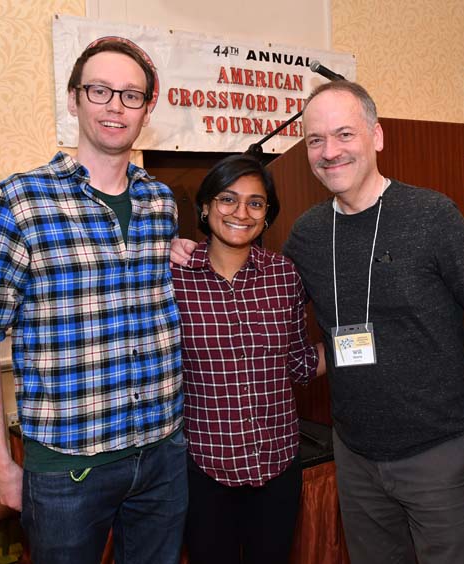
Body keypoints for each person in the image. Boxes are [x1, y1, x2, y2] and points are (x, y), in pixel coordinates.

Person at [172, 80, 464, 564]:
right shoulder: (308, 234)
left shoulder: (432, 215)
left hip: (437, 451)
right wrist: (183, 245)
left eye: (344, 135)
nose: (329, 152)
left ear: (376, 137)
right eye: (316, 140)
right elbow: (261, 301)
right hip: (354, 454)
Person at [0, 37, 186, 564]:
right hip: (67, 465)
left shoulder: (160, 201)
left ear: (147, 109)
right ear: (73, 98)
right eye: (100, 90)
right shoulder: (20, 199)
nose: (115, 106)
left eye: (131, 95)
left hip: (163, 452)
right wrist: (1, 462)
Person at [172, 154, 324, 564]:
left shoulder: (284, 275)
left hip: (277, 463)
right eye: (228, 199)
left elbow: (298, 364)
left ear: (267, 215)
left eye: (255, 203)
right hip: (204, 467)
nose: (241, 212)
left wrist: (364, 341)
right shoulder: (172, 278)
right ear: (205, 207)